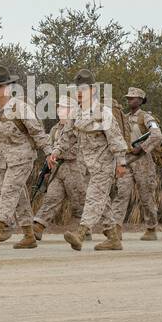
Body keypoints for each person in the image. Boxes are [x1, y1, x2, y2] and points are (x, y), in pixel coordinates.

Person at [64, 70, 129, 251]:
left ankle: (81, 234)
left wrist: (121, 162)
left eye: (83, 89)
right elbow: (67, 136)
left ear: (92, 90)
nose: (78, 92)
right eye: (76, 89)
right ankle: (113, 238)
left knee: (94, 198)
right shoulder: (76, 113)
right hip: (86, 166)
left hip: (103, 165)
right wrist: (55, 152)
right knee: (102, 201)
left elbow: (116, 139)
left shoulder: (104, 113)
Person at [0, 65, 46, 249]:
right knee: (13, 194)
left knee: (9, 191)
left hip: (23, 156)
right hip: (4, 158)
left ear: (9, 88)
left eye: (0, 86)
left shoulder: (20, 108)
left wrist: (49, 153)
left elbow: (37, 132)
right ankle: (28, 235)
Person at [34, 95, 88, 240]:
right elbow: (50, 148)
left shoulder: (79, 127)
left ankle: (83, 230)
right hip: (58, 170)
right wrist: (47, 166)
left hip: (75, 168)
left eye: (63, 107)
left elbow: (79, 149)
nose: (59, 110)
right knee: (51, 198)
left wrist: (58, 154)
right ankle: (37, 227)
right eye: (59, 107)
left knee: (79, 202)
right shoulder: (55, 129)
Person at [113, 86, 162, 239]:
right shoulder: (125, 117)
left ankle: (151, 228)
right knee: (122, 193)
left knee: (146, 196)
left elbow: (156, 135)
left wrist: (142, 147)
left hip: (143, 161)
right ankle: (115, 229)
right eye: (128, 98)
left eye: (133, 98)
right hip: (126, 160)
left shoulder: (146, 117)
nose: (129, 100)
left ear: (140, 100)